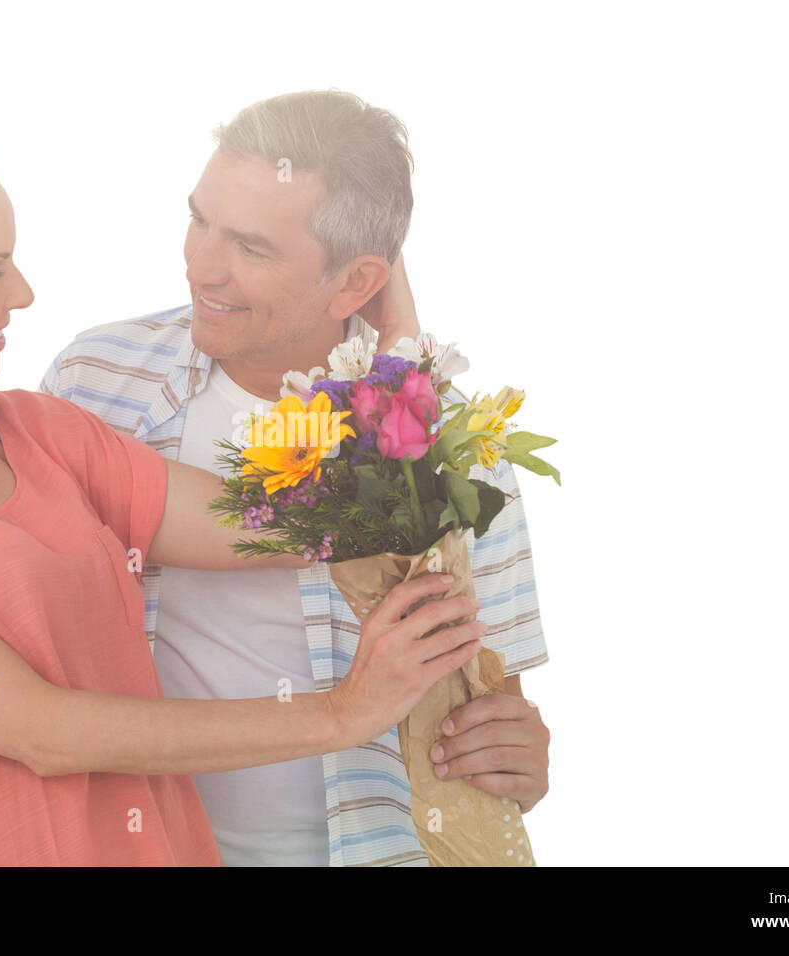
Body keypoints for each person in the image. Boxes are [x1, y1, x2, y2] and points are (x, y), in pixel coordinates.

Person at [0, 119, 486, 866]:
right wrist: (341, 714)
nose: (24, 293)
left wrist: (395, 346)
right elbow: (40, 730)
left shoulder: (39, 432)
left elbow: (293, 526)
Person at [41, 90, 552, 867]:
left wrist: (514, 749)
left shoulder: (457, 444)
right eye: (198, 219)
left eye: (250, 246)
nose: (199, 266)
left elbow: (491, 694)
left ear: (356, 284)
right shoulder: (93, 385)